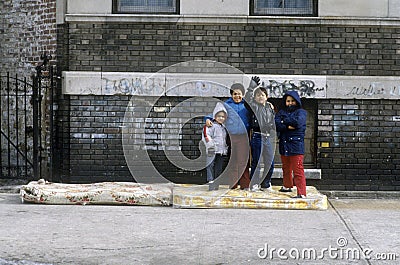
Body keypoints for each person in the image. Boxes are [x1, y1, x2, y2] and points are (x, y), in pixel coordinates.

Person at [205, 83, 251, 190]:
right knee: (233, 161)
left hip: (244, 136)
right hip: (231, 137)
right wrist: (207, 119)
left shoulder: (247, 105)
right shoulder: (227, 104)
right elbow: (215, 113)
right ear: (231, 94)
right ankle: (233, 184)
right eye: (235, 94)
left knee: (243, 161)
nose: (237, 96)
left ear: (243, 94)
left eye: (239, 94)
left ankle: (245, 185)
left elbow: (259, 107)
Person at [275, 90, 307, 198]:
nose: (290, 103)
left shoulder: (301, 112)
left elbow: (298, 122)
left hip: (296, 145)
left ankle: (302, 193)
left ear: (296, 101)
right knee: (286, 167)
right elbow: (277, 124)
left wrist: (284, 121)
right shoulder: (281, 112)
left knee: (298, 169)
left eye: (292, 101)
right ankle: (287, 186)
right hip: (284, 144)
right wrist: (287, 125)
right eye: (288, 101)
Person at [245, 79, 276, 192]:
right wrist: (251, 88)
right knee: (256, 162)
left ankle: (266, 184)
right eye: (258, 95)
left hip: (267, 137)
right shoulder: (254, 107)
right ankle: (254, 184)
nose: (260, 97)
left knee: (270, 163)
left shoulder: (270, 108)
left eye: (262, 95)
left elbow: (273, 121)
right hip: (257, 137)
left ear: (266, 97)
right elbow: (247, 100)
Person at [202, 102, 230, 190]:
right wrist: (210, 145)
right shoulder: (211, 125)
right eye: (219, 116)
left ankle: (217, 183)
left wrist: (225, 148)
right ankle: (211, 182)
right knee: (210, 166)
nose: (221, 118)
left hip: (221, 151)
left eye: (223, 116)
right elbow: (206, 135)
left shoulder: (224, 127)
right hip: (212, 149)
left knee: (219, 167)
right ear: (214, 116)